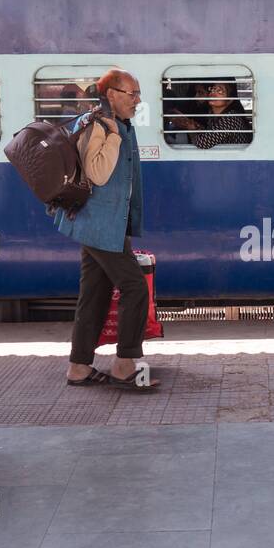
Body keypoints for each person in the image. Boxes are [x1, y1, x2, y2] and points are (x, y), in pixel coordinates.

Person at [57, 69, 159, 391]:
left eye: (138, 94)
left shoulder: (120, 124)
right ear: (112, 94)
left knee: (95, 294)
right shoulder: (98, 125)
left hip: (107, 224)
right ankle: (124, 364)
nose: (138, 100)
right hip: (98, 224)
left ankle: (79, 368)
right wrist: (113, 134)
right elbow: (97, 174)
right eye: (132, 93)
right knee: (135, 287)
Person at [191, 81, 252, 150]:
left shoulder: (231, 118)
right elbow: (212, 135)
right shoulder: (212, 114)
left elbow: (202, 143)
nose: (213, 93)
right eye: (212, 89)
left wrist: (191, 129)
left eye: (220, 91)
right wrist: (197, 128)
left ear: (229, 101)